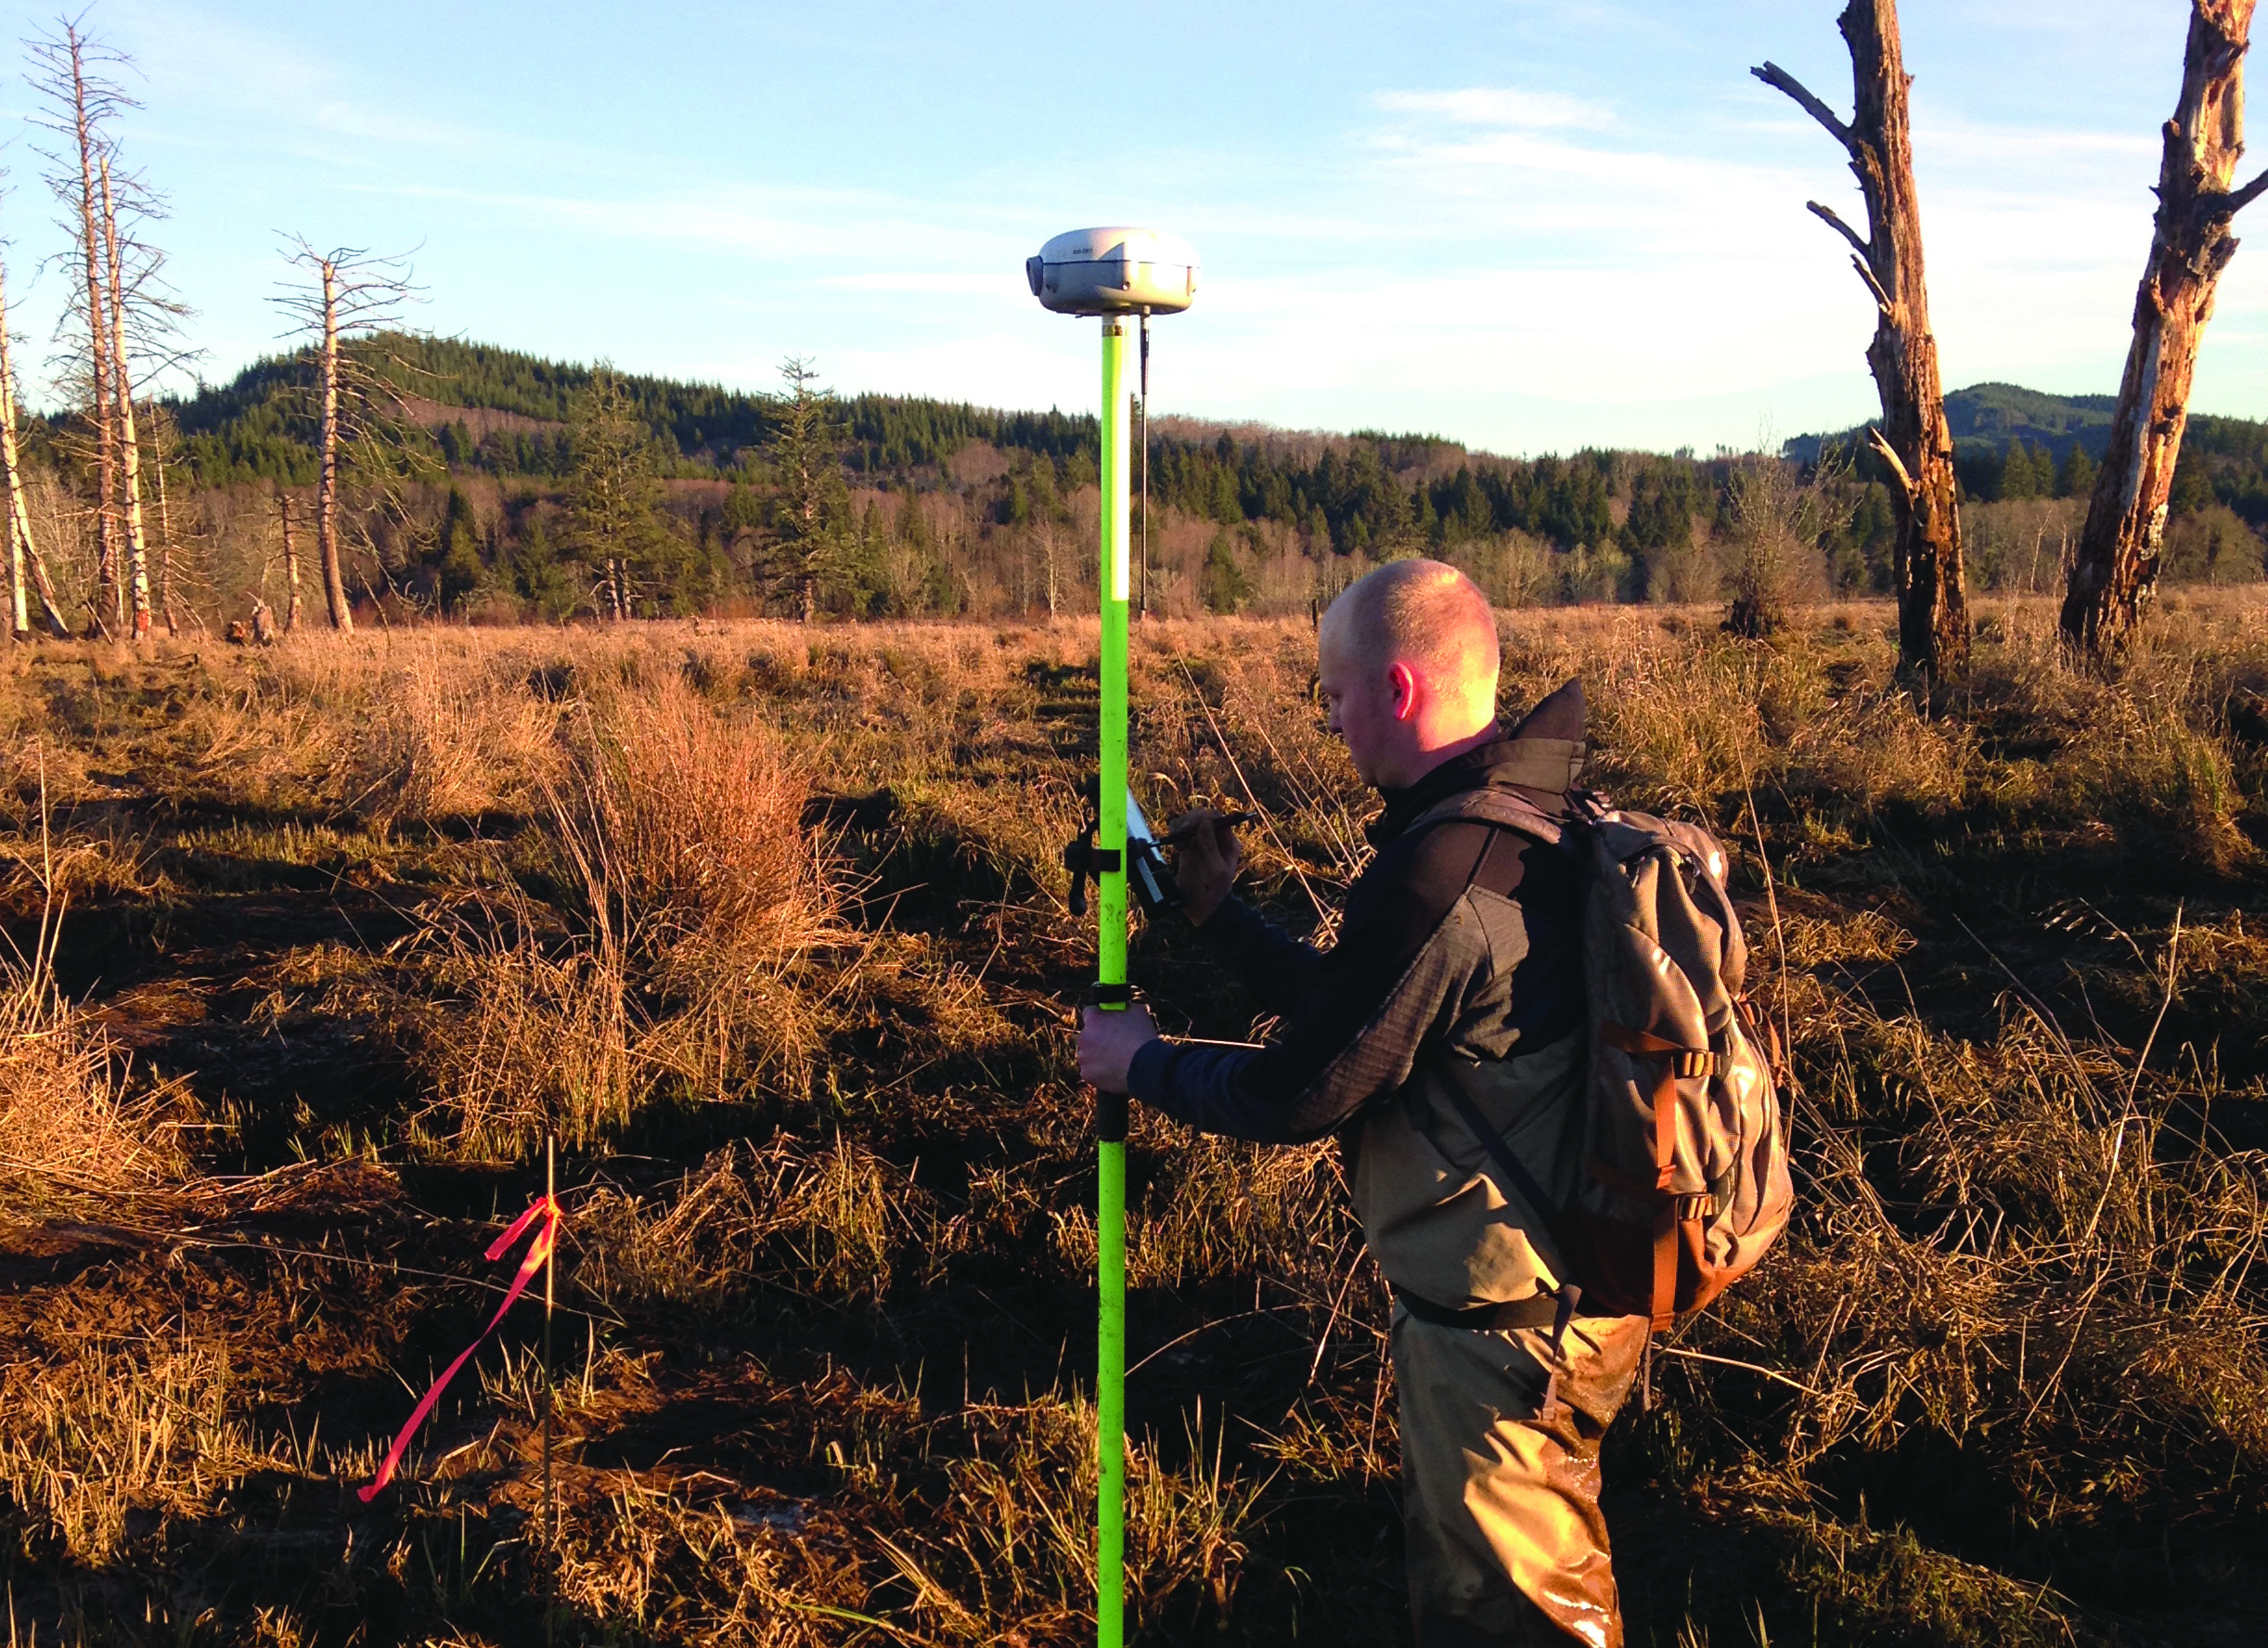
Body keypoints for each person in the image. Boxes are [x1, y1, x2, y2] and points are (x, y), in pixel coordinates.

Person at [1079, 558, 1647, 1648]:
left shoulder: (1446, 867)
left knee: (1514, 1617)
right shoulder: (1529, 815)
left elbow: (1303, 1090)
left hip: (1504, 1335)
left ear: (1395, 688)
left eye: (1333, 695)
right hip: (1566, 1292)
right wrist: (1219, 916)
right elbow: (1376, 1014)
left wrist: (1139, 1064)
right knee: (1526, 1578)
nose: (1329, 721)